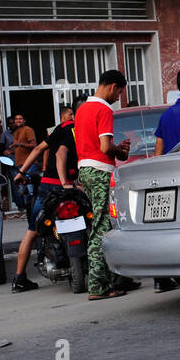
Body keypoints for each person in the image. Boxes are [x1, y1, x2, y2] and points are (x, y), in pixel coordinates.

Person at [75, 71, 133, 300]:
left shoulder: (81, 110)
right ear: (111, 87)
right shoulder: (104, 109)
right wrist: (120, 151)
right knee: (101, 228)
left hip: (85, 170)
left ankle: (116, 279)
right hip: (101, 171)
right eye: (119, 92)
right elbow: (105, 148)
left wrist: (116, 147)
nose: (118, 97)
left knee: (107, 224)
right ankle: (98, 286)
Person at [10, 106, 77, 293]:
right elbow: (60, 154)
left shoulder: (59, 129)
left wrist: (21, 172)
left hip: (48, 186)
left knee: (32, 231)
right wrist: (65, 182)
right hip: (67, 186)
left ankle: (19, 279)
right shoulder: (76, 129)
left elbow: (40, 149)